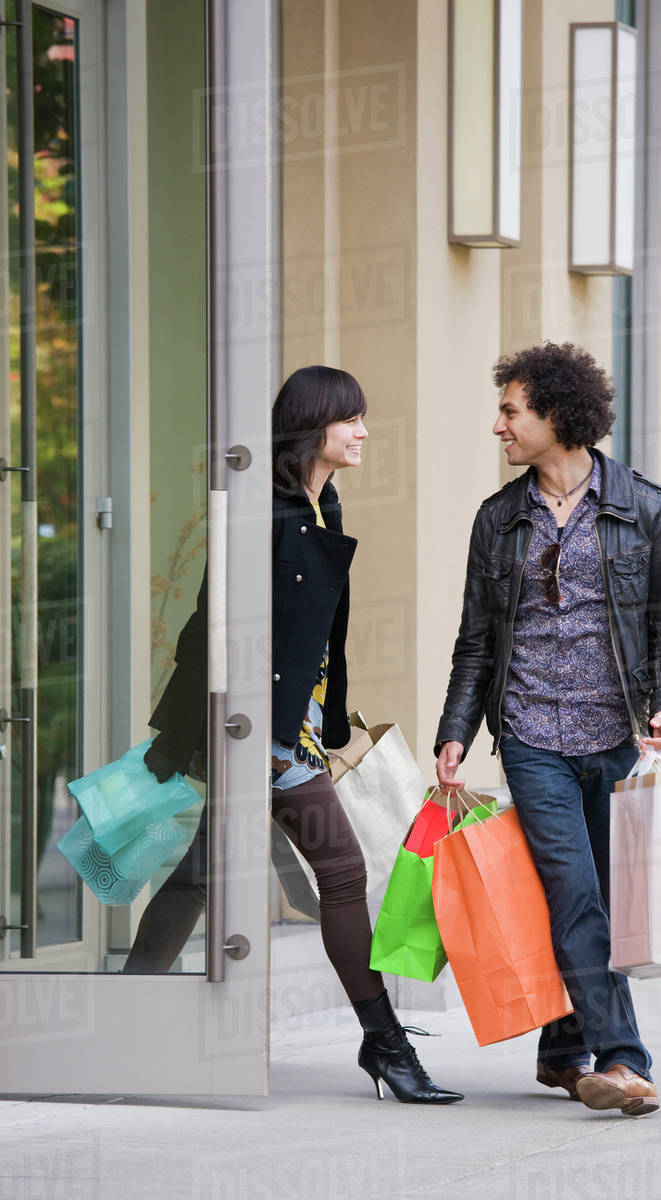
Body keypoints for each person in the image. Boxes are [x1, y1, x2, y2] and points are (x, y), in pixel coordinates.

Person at [125, 365, 462, 1106]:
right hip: (264, 741)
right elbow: (207, 632)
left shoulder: (320, 507)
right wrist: (180, 737)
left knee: (200, 880)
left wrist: (327, 719)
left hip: (288, 736)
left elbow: (317, 642)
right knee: (339, 875)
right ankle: (387, 1047)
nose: (365, 432)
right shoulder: (267, 517)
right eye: (352, 420)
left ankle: (126, 1020)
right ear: (314, 427)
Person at [435, 342, 661, 1116]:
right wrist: (457, 728)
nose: (499, 427)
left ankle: (560, 1046)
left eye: (512, 411)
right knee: (575, 892)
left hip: (616, 736)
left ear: (558, 415)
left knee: (596, 902)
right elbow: (477, 640)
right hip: (529, 734)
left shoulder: (641, 507)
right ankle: (622, 1059)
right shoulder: (499, 520)